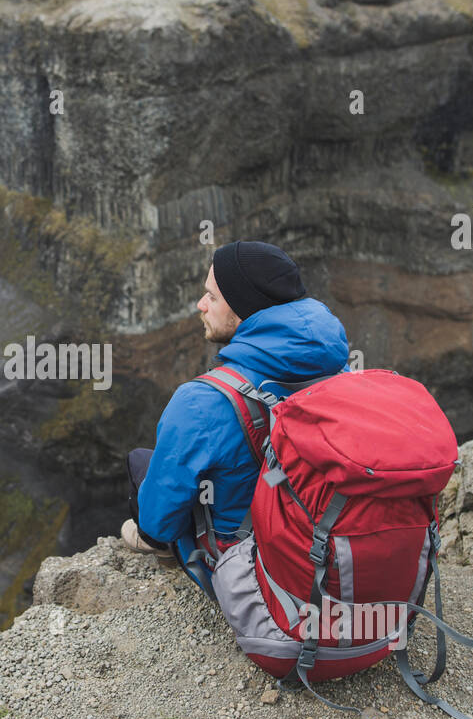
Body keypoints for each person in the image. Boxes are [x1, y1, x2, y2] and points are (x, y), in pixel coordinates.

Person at [121, 240, 350, 596]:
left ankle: (159, 552)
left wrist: (151, 531)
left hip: (257, 574)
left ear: (243, 309)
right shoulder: (339, 368)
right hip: (329, 542)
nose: (200, 305)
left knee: (142, 464)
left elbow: (159, 522)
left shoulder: (199, 402)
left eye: (211, 297)